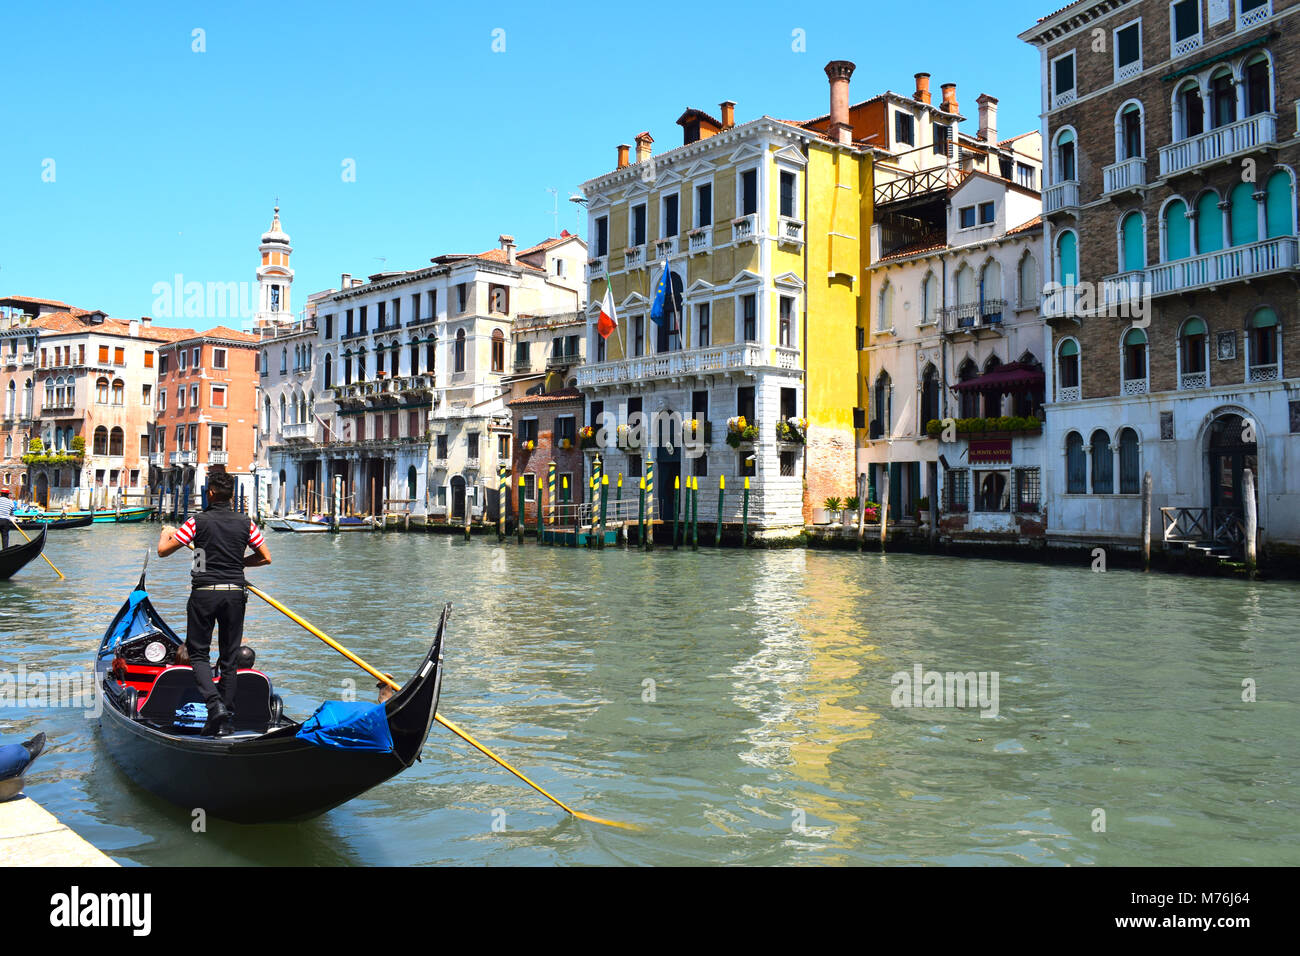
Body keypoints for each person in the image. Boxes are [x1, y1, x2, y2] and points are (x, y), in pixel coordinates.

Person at [157, 471, 271, 736]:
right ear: (231, 495)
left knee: (198, 654)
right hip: (234, 592)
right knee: (229, 658)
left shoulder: (197, 521)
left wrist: (166, 532)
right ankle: (224, 719)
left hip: (205, 593)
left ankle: (215, 707)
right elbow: (265, 558)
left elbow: (164, 551)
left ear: (210, 493)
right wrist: (237, 563)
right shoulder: (246, 523)